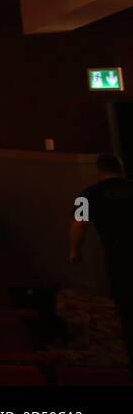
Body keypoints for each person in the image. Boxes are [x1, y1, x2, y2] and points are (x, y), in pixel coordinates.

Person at [70, 154, 133, 377]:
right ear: (121, 168)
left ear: (99, 171)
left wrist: (74, 250)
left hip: (118, 257)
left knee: (125, 302)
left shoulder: (88, 194)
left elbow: (78, 225)